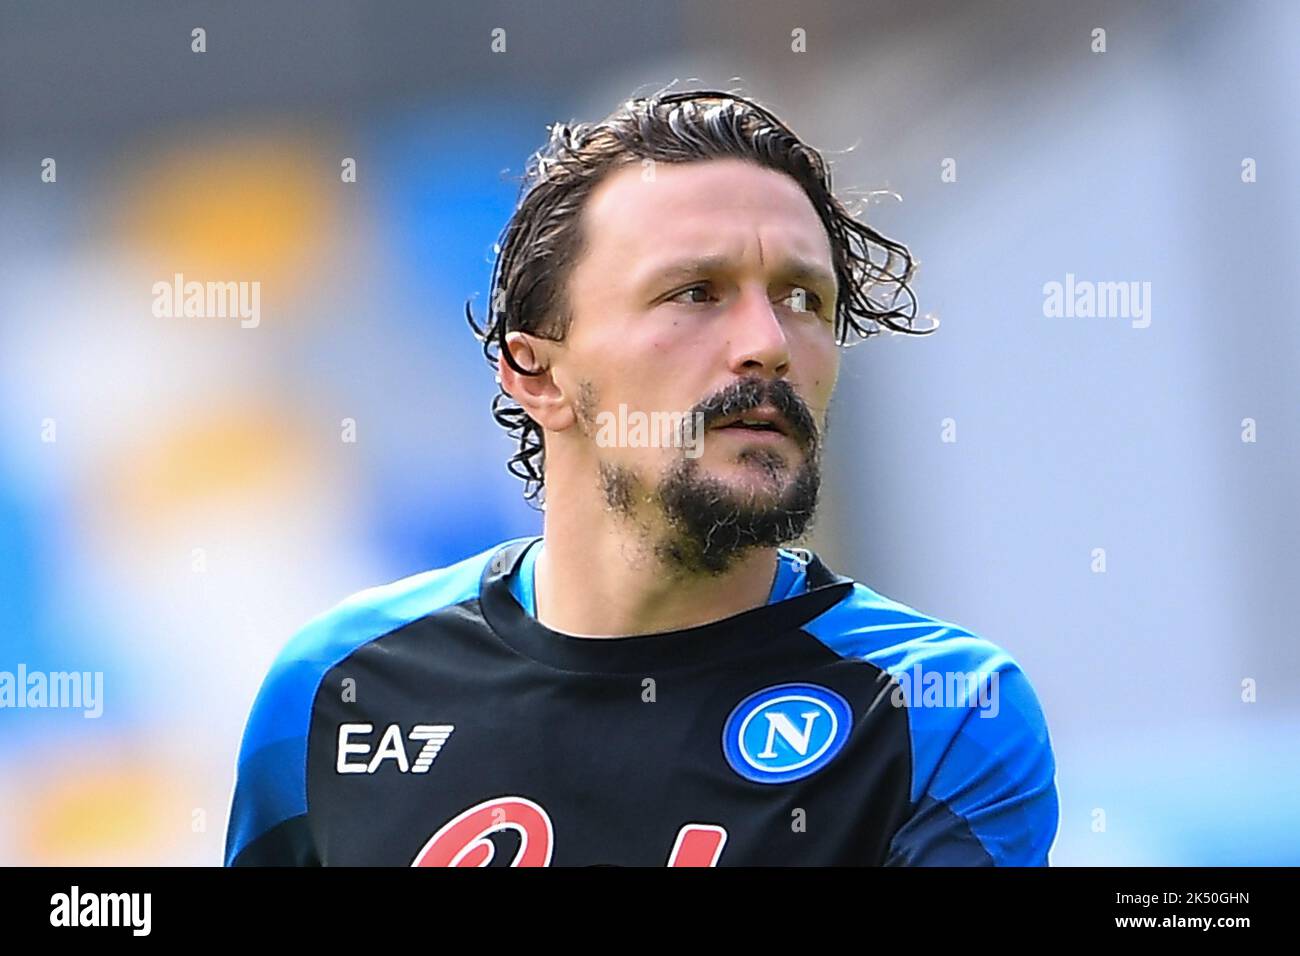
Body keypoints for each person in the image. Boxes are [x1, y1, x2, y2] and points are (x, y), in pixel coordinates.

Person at [224, 88, 1058, 866]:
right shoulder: (336, 687)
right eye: (696, 292)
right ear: (537, 373)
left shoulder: (940, 712)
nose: (767, 343)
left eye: (803, 298)